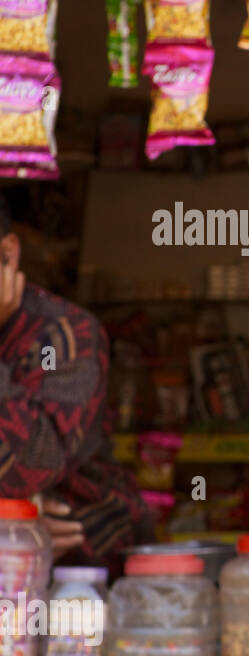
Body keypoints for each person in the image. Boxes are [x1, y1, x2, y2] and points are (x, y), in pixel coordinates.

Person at [0, 195, 153, 576]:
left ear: (8, 254)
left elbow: (29, 466)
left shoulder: (62, 336)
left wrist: (17, 529)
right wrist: (15, 526)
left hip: (80, 578)